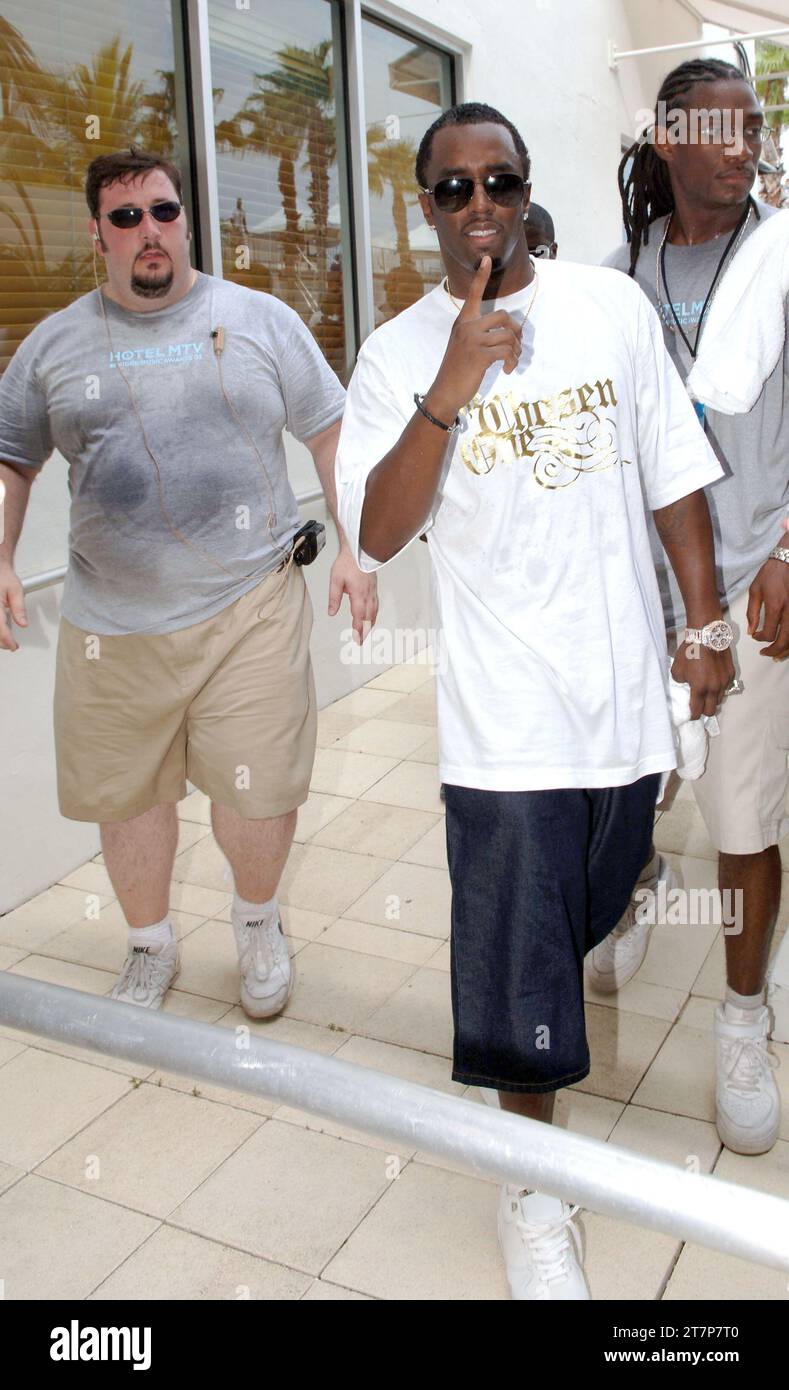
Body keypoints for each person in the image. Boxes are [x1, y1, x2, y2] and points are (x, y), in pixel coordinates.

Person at [335, 101, 733, 1301]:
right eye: (453, 189)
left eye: (499, 181)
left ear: (522, 192)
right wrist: (450, 386)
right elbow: (378, 527)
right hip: (504, 733)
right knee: (523, 986)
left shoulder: (606, 309)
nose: (480, 207)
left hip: (621, 716)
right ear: (426, 209)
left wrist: (703, 623)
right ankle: (530, 1184)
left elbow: (674, 478)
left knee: (595, 909)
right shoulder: (399, 354)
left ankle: (596, 928)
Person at [0, 147, 377, 1016]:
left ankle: (256, 923)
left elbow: (331, 435)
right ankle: (149, 944)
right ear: (97, 233)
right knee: (129, 794)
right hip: (110, 621)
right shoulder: (54, 344)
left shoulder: (261, 320)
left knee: (258, 785)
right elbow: (12, 460)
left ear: (185, 219)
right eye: (126, 219)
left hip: (249, 603)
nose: (149, 232)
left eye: (163, 212)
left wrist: (358, 548)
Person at [603, 58, 788, 1158]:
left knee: (744, 817)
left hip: (754, 580)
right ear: (668, 137)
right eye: (723, 126)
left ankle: (742, 1017)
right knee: (633, 778)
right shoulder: (615, 276)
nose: (747, 142)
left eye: (756, 126)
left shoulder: (780, 254)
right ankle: (631, 886)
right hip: (638, 594)